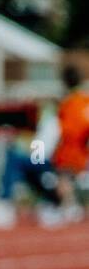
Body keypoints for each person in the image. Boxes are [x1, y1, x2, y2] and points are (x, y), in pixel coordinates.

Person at [51, 64, 89, 224]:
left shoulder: (67, 104)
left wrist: (37, 156)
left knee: (63, 179)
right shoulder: (85, 100)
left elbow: (59, 131)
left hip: (69, 153)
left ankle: (68, 207)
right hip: (83, 151)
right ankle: (71, 206)